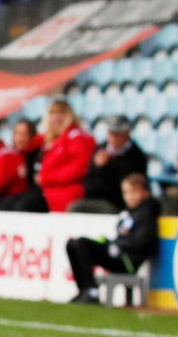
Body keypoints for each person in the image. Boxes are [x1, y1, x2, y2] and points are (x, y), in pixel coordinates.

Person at [66, 173, 159, 304]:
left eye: (133, 192)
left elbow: (144, 241)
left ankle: (92, 291)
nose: (129, 197)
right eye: (126, 192)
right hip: (118, 253)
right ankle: (85, 289)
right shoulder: (131, 212)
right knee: (72, 244)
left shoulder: (147, 212)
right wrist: (112, 242)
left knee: (81, 244)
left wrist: (118, 244)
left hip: (127, 260)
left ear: (145, 193)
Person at [68, 116, 148, 213]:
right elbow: (89, 186)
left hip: (118, 203)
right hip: (97, 199)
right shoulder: (100, 150)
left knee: (108, 210)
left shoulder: (136, 156)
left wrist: (108, 167)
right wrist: (99, 168)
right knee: (74, 207)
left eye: (117, 134)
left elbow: (131, 186)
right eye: (111, 133)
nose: (113, 137)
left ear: (126, 134)